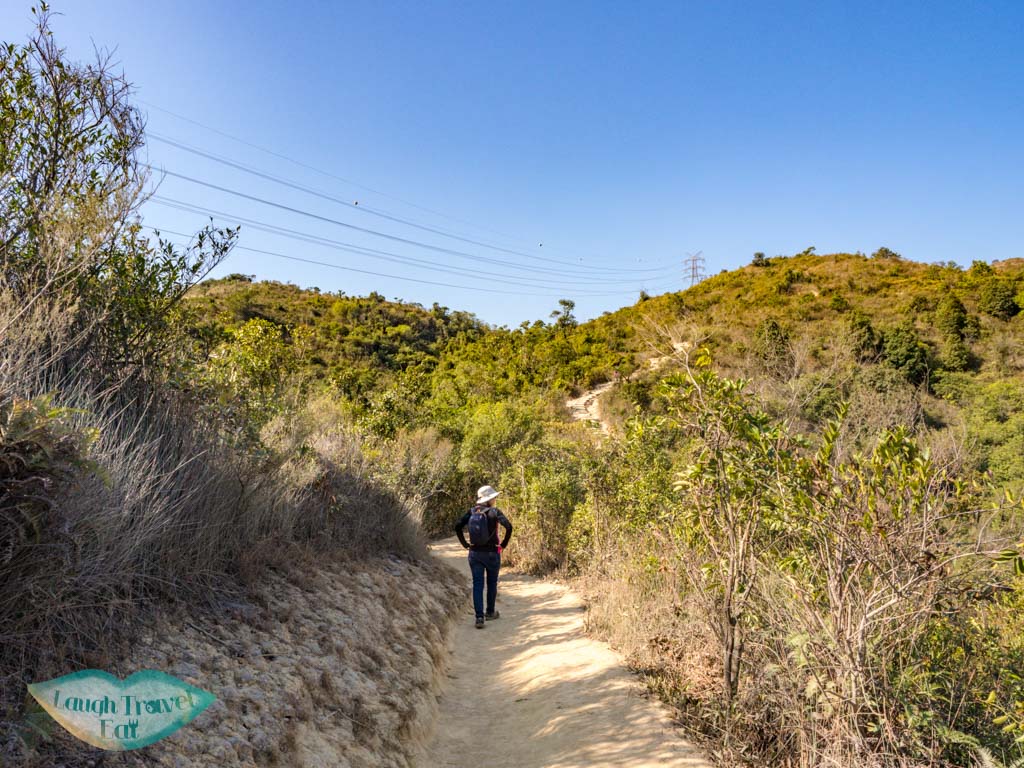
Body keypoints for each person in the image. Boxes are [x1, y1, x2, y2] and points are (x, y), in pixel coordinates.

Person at [455, 484, 513, 629]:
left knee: (478, 585)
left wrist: (465, 544)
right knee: (492, 583)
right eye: (493, 497)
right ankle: (490, 612)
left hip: (474, 553)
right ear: (489, 499)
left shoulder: (471, 512)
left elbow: (457, 526)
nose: (495, 499)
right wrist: (503, 545)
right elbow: (509, 526)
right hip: (493, 553)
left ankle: (479, 617)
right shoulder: (494, 512)